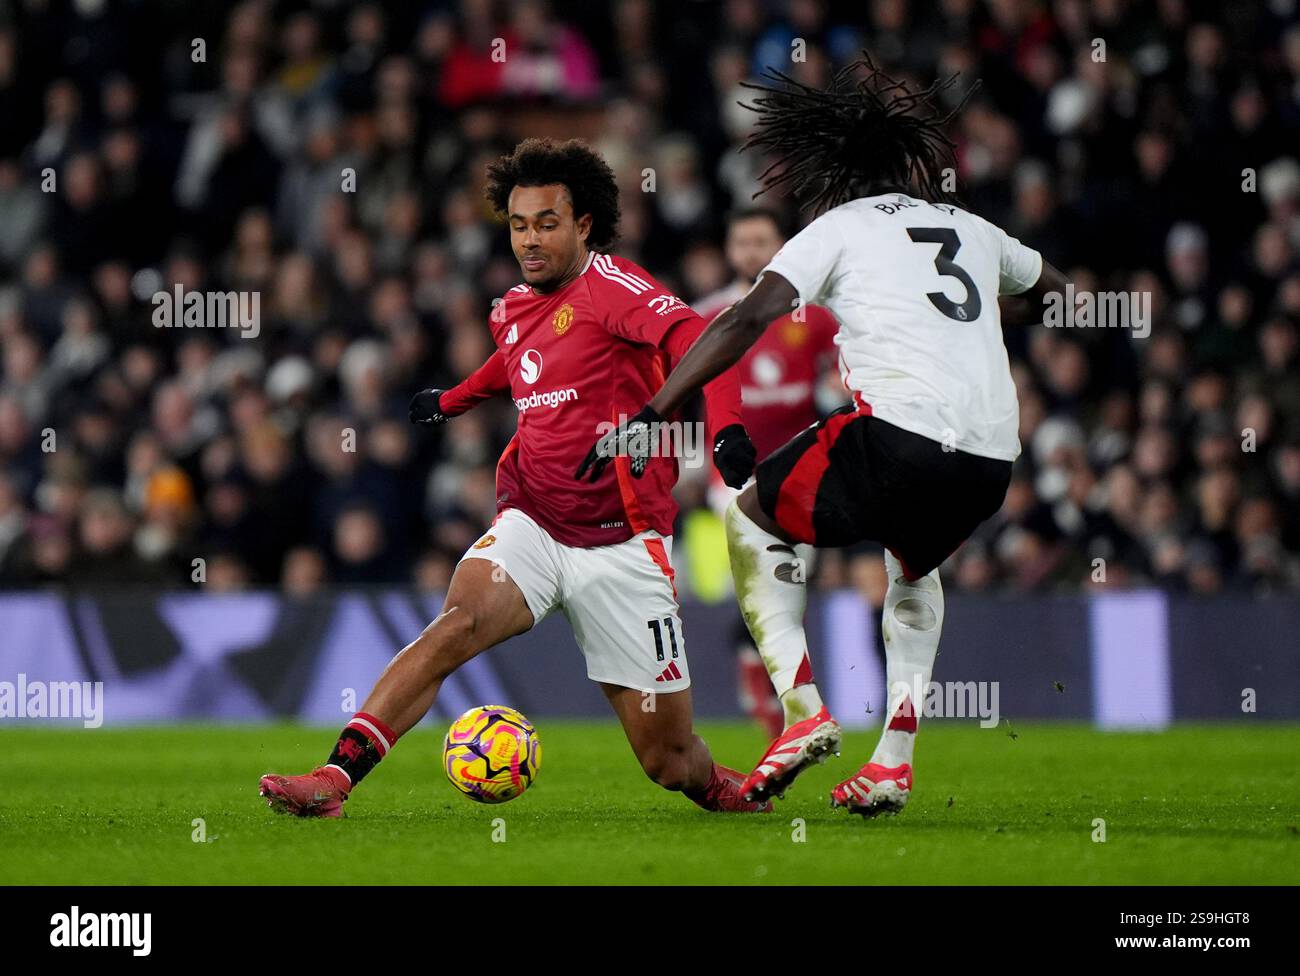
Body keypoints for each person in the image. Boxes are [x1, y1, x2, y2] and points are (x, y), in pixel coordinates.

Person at [579, 56, 1069, 817]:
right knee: (913, 570)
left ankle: (802, 711)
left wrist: (654, 413)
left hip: (900, 437)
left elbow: (742, 319)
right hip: (989, 461)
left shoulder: (835, 229)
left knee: (748, 520)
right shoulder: (974, 228)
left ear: (834, 173)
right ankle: (893, 764)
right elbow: (1062, 298)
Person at [260, 138, 767, 817]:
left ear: (583, 224)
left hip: (623, 539)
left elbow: (706, 335)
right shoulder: (514, 306)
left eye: (547, 222)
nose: (530, 239)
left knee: (667, 762)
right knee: (455, 626)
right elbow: (516, 362)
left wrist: (724, 425)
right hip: (532, 519)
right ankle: (334, 779)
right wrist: (451, 401)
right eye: (519, 224)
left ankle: (723, 785)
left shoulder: (614, 288)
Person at [693, 206, 841, 738]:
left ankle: (768, 682)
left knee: (788, 591)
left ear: (781, 246)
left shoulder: (814, 316)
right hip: (732, 475)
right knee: (766, 572)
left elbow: (843, 377)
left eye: (762, 241)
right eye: (742, 242)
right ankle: (770, 703)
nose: (751, 252)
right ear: (730, 251)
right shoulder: (707, 314)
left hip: (802, 470)